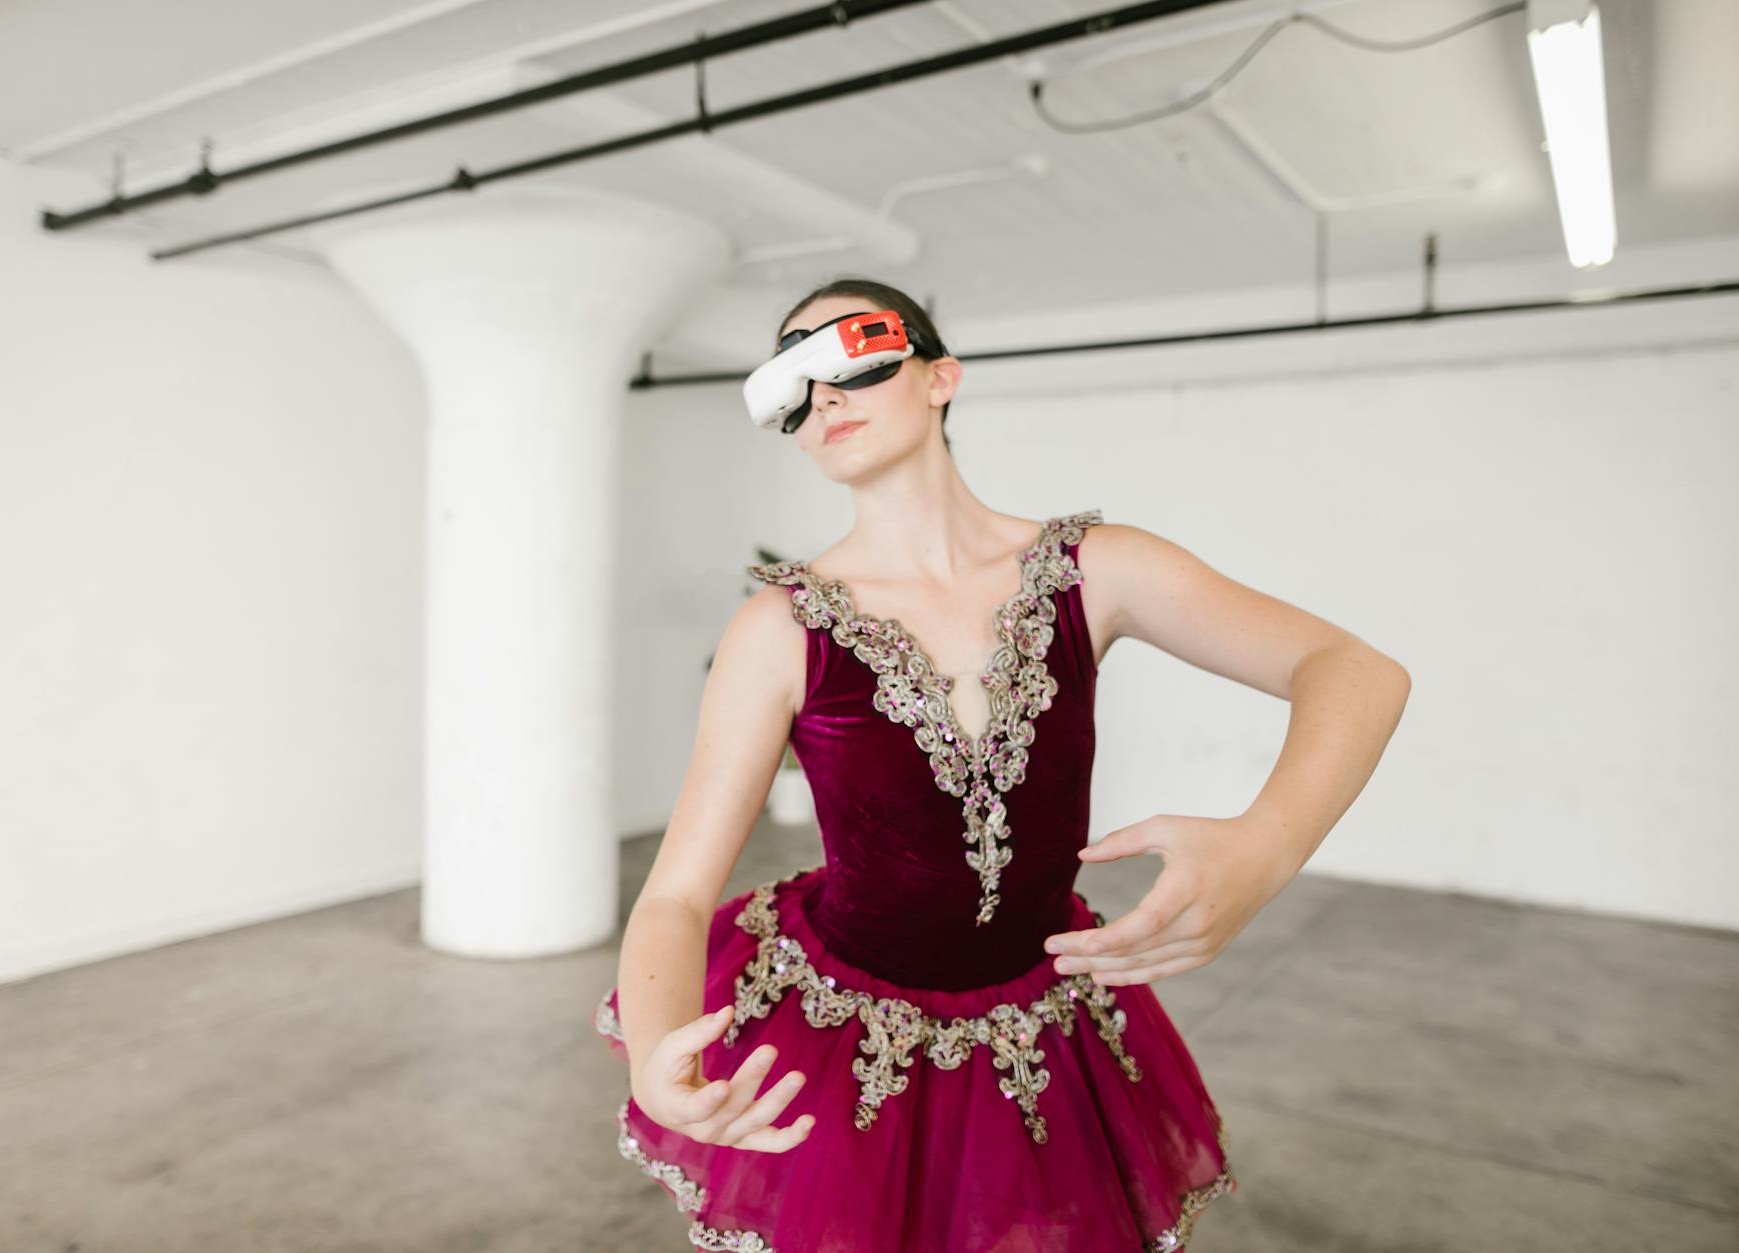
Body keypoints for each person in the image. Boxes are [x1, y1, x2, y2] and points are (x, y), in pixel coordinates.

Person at [593, 277, 1412, 1252]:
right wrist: (653, 1051)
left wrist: (1265, 843)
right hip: (844, 1032)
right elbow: (676, 891)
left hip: (1042, 1014)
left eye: (851, 355)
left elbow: (1354, 670)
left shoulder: (1095, 570)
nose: (824, 397)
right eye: (791, 383)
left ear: (941, 376)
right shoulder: (778, 629)